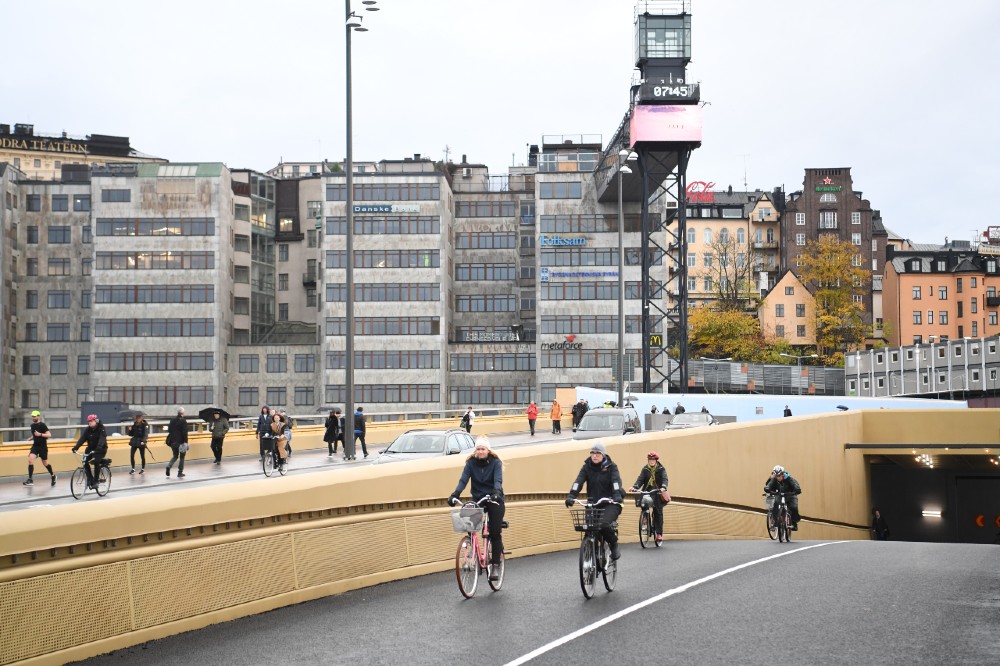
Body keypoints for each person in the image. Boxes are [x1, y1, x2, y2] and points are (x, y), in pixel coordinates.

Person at [449, 436, 505, 581]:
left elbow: (498, 480)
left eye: (483, 449)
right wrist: (455, 494)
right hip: (478, 498)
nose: (480, 451)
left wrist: (496, 492)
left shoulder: (496, 463)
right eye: (478, 449)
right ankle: (472, 554)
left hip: (494, 498)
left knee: (494, 532)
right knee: (469, 521)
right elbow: (463, 480)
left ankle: (495, 565)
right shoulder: (470, 463)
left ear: (488, 450)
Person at [565, 442, 624, 560]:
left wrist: (617, 495)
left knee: (603, 524)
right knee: (590, 529)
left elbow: (616, 482)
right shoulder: (587, 467)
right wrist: (572, 495)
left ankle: (613, 543)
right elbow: (578, 482)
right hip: (594, 504)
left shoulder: (611, 467)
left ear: (603, 455)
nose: (595, 455)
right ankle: (594, 556)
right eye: (592, 453)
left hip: (611, 503)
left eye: (598, 453)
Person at [629, 451, 669, 544]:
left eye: (653, 459)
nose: (651, 461)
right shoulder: (645, 469)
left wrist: (663, 487)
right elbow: (640, 480)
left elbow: (665, 478)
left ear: (656, 460)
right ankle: (645, 519)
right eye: (650, 459)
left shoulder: (661, 469)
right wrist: (635, 487)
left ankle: (659, 533)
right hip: (647, 490)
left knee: (658, 511)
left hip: (657, 491)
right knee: (643, 503)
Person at [72, 414, 108, 489]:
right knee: (84, 462)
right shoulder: (88, 429)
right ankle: (90, 479)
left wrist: (98, 448)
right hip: (90, 449)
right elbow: (82, 439)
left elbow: (102, 439)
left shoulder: (101, 428)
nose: (90, 423)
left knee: (96, 461)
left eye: (91, 421)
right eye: (89, 422)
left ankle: (95, 482)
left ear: (96, 421)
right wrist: (76, 447)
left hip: (100, 449)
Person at [764, 465, 802, 530]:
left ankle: (794, 523)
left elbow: (796, 486)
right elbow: (769, 485)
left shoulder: (790, 479)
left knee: (793, 507)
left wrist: (797, 490)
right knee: (774, 504)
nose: (778, 478)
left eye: (779, 476)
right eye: (776, 476)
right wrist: (767, 488)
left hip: (790, 495)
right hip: (779, 495)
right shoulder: (774, 479)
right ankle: (775, 523)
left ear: (783, 474)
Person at [24, 410, 56, 487]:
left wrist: (40, 434)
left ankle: (53, 476)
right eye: (32, 416)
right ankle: (30, 479)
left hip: (43, 447)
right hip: (35, 446)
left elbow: (49, 435)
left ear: (38, 416)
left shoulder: (43, 425)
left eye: (35, 416)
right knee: (30, 460)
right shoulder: (32, 426)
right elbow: (35, 435)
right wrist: (31, 438)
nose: (33, 417)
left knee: (45, 463)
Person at [165, 407, 189, 479]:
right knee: (182, 457)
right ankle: (180, 473)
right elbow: (185, 432)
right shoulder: (183, 421)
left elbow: (169, 430)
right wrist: (185, 442)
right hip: (181, 442)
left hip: (173, 441)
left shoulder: (172, 420)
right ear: (183, 413)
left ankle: (169, 465)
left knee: (175, 456)